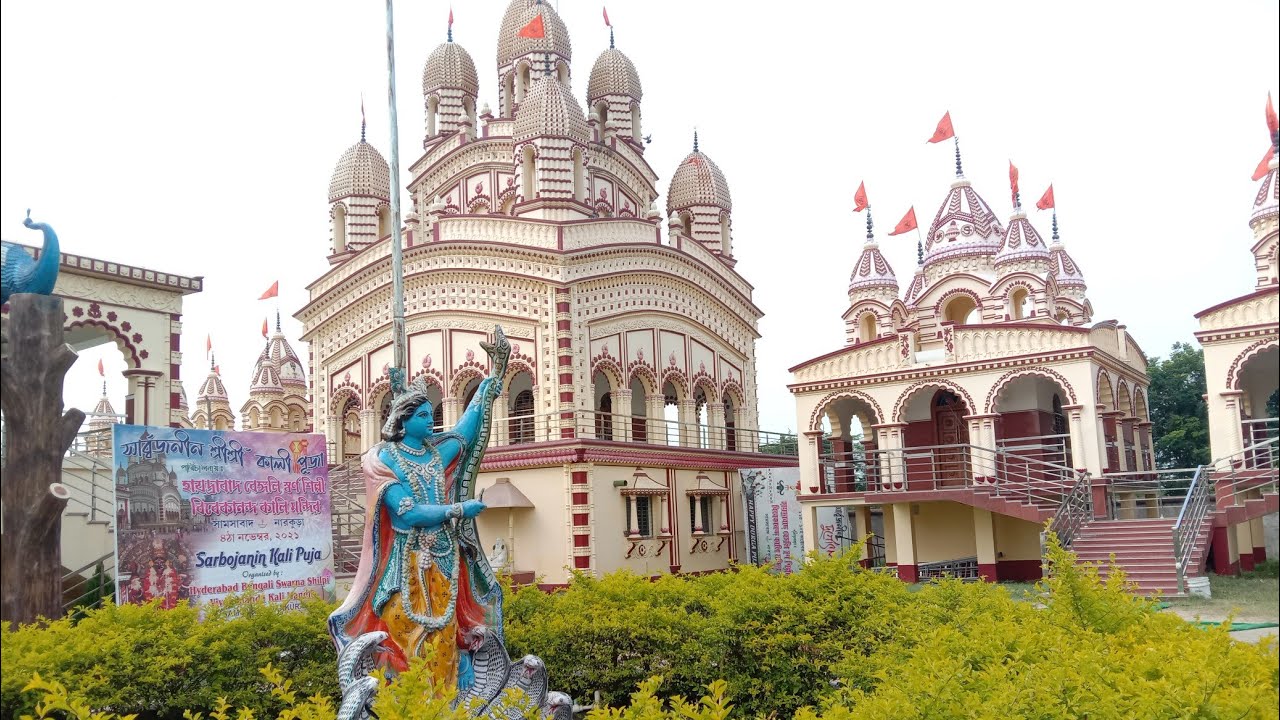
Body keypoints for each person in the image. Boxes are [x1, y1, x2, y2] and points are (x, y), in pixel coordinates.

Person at [329, 327, 509, 693]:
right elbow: (406, 515)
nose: (432, 420)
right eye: (424, 415)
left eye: (432, 414)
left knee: (444, 643)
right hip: (404, 563)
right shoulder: (381, 459)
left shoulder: (434, 453)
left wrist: (494, 375)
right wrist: (458, 509)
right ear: (403, 419)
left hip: (444, 562)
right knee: (405, 637)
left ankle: (446, 709)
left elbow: (467, 427)